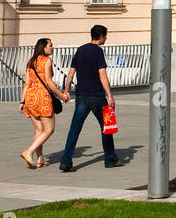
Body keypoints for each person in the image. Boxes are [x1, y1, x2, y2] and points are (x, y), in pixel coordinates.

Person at [59, 24, 124, 171]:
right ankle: (110, 159)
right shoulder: (98, 52)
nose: (106, 38)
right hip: (97, 96)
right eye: (105, 36)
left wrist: (66, 90)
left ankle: (65, 161)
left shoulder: (80, 50)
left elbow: (70, 73)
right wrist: (110, 96)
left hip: (81, 96)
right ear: (101, 36)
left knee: (74, 129)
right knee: (106, 127)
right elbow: (102, 75)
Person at [19, 37, 69, 168]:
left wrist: (22, 101)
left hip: (30, 97)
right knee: (49, 130)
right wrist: (62, 95)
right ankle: (28, 152)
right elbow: (49, 82)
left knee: (39, 130)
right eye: (50, 45)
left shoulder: (30, 61)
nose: (52, 47)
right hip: (42, 97)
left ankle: (40, 158)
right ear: (44, 47)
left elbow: (27, 83)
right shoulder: (47, 60)